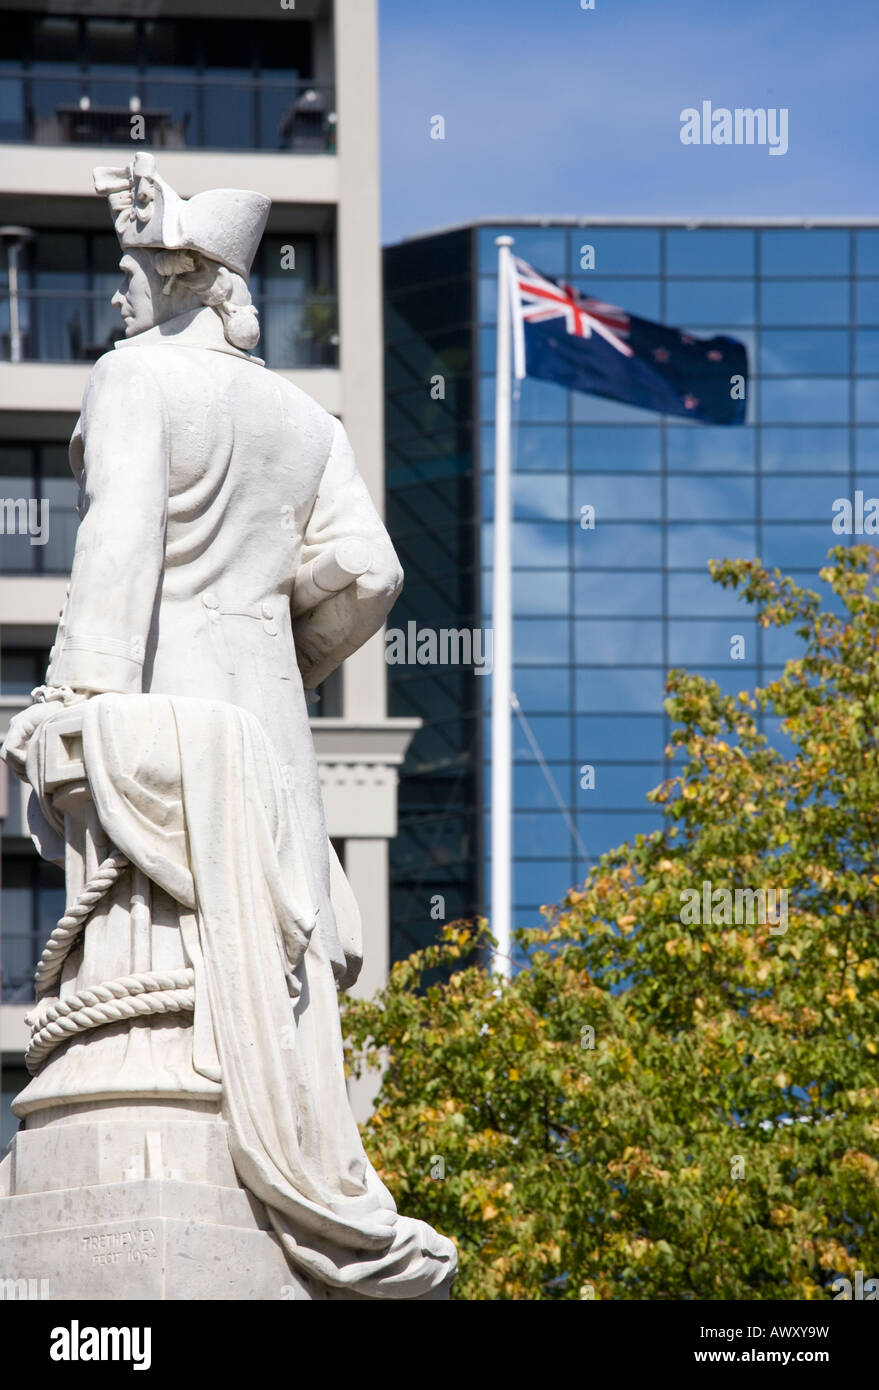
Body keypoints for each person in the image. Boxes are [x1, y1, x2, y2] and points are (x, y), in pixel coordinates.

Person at [1, 153, 456, 1299]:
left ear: (188, 277)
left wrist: (76, 698)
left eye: (137, 272)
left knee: (164, 956)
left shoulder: (137, 380)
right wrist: (282, 654)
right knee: (277, 976)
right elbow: (370, 568)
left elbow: (119, 543)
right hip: (270, 731)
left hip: (162, 709)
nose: (116, 295)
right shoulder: (307, 419)